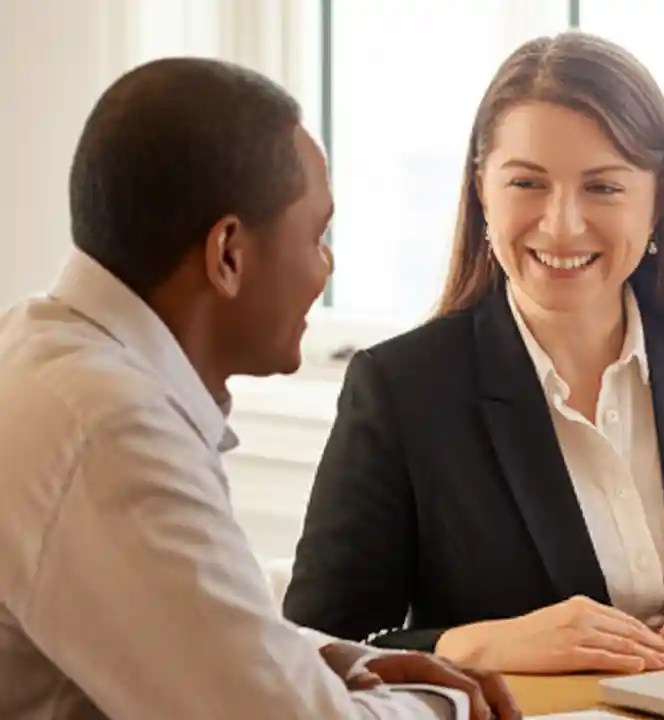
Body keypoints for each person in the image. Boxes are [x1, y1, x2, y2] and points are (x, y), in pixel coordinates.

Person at [284, 32, 664, 675]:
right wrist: (477, 645)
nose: (562, 225)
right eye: (527, 183)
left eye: (603, 187)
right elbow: (313, 648)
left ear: (659, 200)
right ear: (482, 192)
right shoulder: (402, 388)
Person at [0, 57, 519, 719]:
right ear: (228, 255)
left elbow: (178, 621)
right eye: (317, 235)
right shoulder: (108, 427)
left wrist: (325, 658)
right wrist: (442, 703)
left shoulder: (47, 354)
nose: (325, 269)